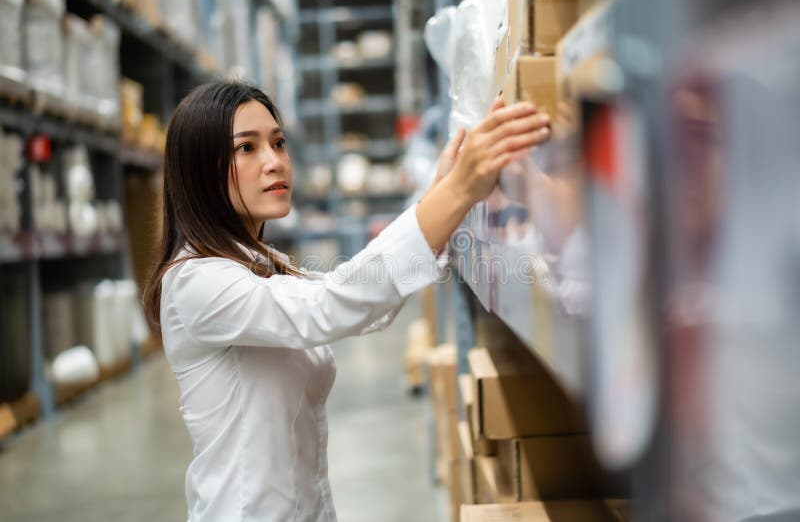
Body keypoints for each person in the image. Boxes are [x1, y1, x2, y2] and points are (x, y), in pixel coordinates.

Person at [142, 80, 550, 522]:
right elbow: (330, 305)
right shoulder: (196, 281)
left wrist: (443, 194)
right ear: (201, 169)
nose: (275, 162)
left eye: (279, 143)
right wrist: (459, 191)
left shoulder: (261, 264)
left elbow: (362, 302)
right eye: (247, 148)